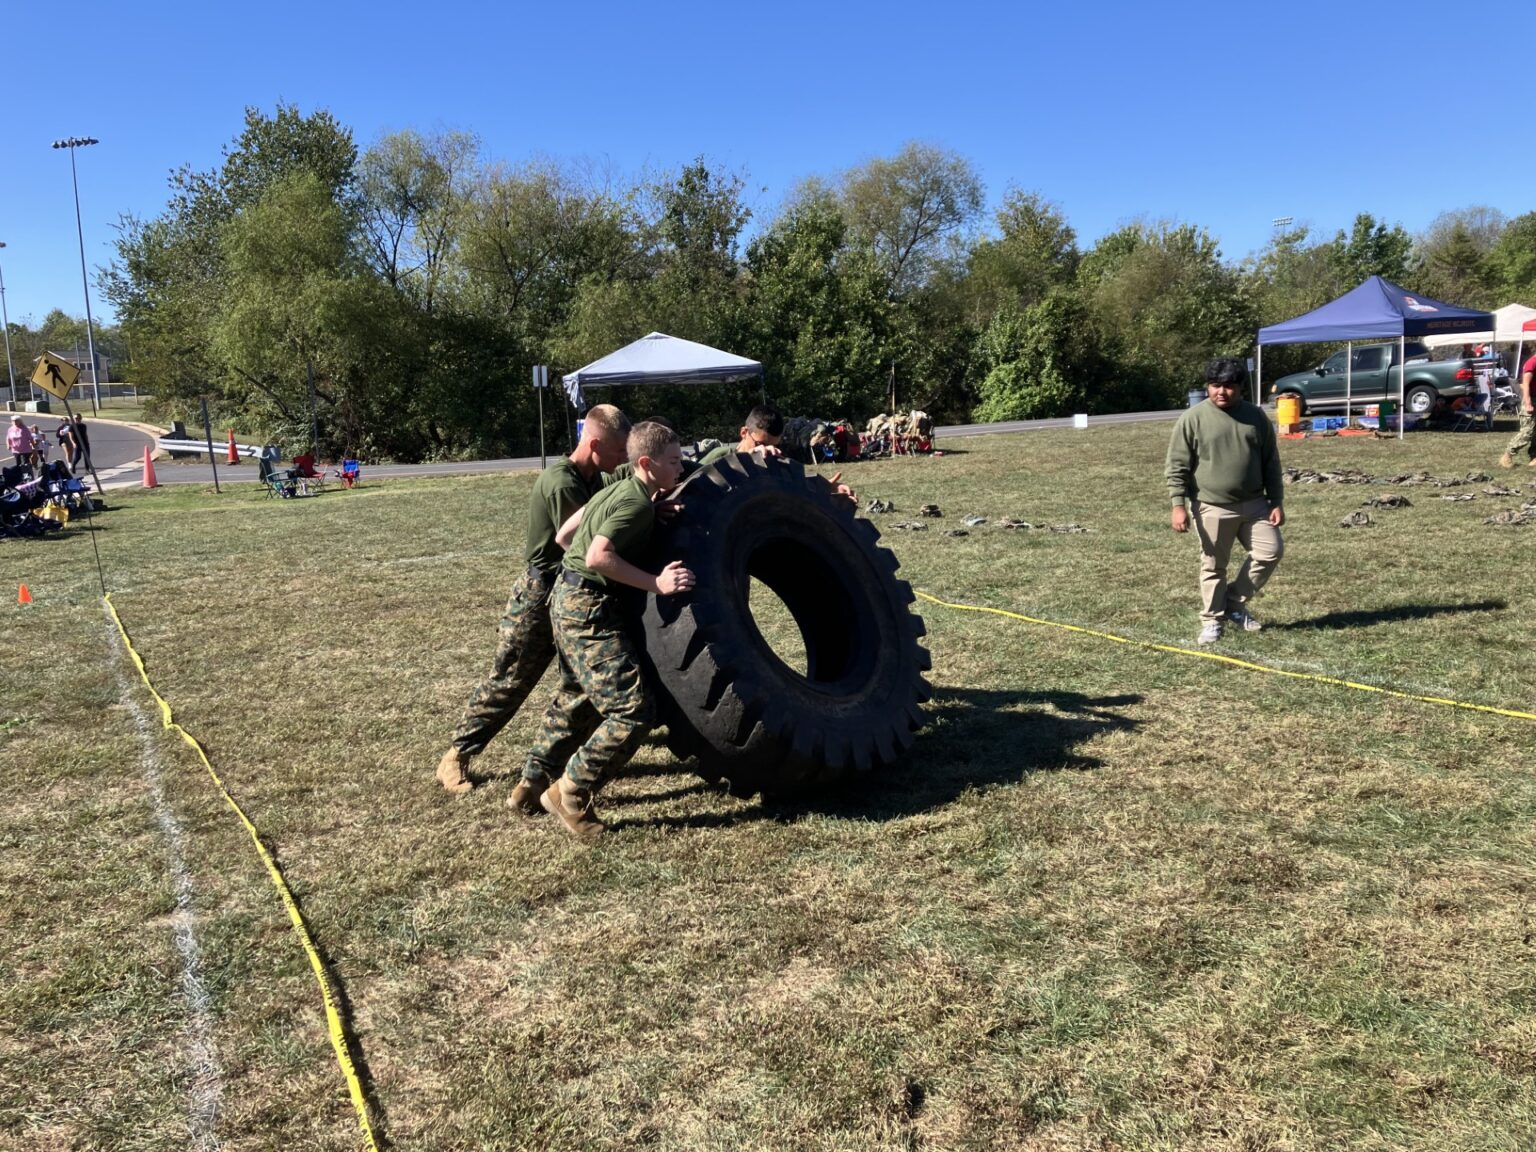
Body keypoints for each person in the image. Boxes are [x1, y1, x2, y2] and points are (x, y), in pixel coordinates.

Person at [436, 404, 633, 800]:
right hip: (540, 595)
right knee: (510, 679)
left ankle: (546, 765)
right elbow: (581, 543)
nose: (621, 460)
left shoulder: (594, 475)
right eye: (616, 451)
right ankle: (457, 754)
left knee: (577, 682)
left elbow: (637, 470)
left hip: (572, 594)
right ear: (594, 444)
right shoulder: (562, 483)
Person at [526, 421, 695, 840]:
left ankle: (528, 784)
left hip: (564, 600)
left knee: (577, 698)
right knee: (633, 710)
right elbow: (600, 556)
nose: (681, 467)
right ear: (646, 463)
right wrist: (656, 582)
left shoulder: (617, 491)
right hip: (587, 609)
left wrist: (642, 517)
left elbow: (568, 536)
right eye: (673, 461)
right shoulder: (635, 504)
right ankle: (569, 792)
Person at [1166, 357, 1285, 645]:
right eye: (1215, 385)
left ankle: (1233, 602)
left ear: (1241, 388)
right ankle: (1211, 620)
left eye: (1229, 386)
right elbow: (1177, 465)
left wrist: (1276, 500)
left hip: (1255, 503)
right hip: (1211, 505)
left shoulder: (1256, 417)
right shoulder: (1192, 419)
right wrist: (1178, 504)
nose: (1221, 392)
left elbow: (1270, 462)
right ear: (1208, 387)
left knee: (1270, 551)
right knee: (1213, 565)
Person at [1499, 349, 1536, 469]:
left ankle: (1534, 457)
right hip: (1531, 399)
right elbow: (1526, 382)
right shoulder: (1533, 362)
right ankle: (1508, 455)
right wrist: (1528, 401)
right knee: (1528, 431)